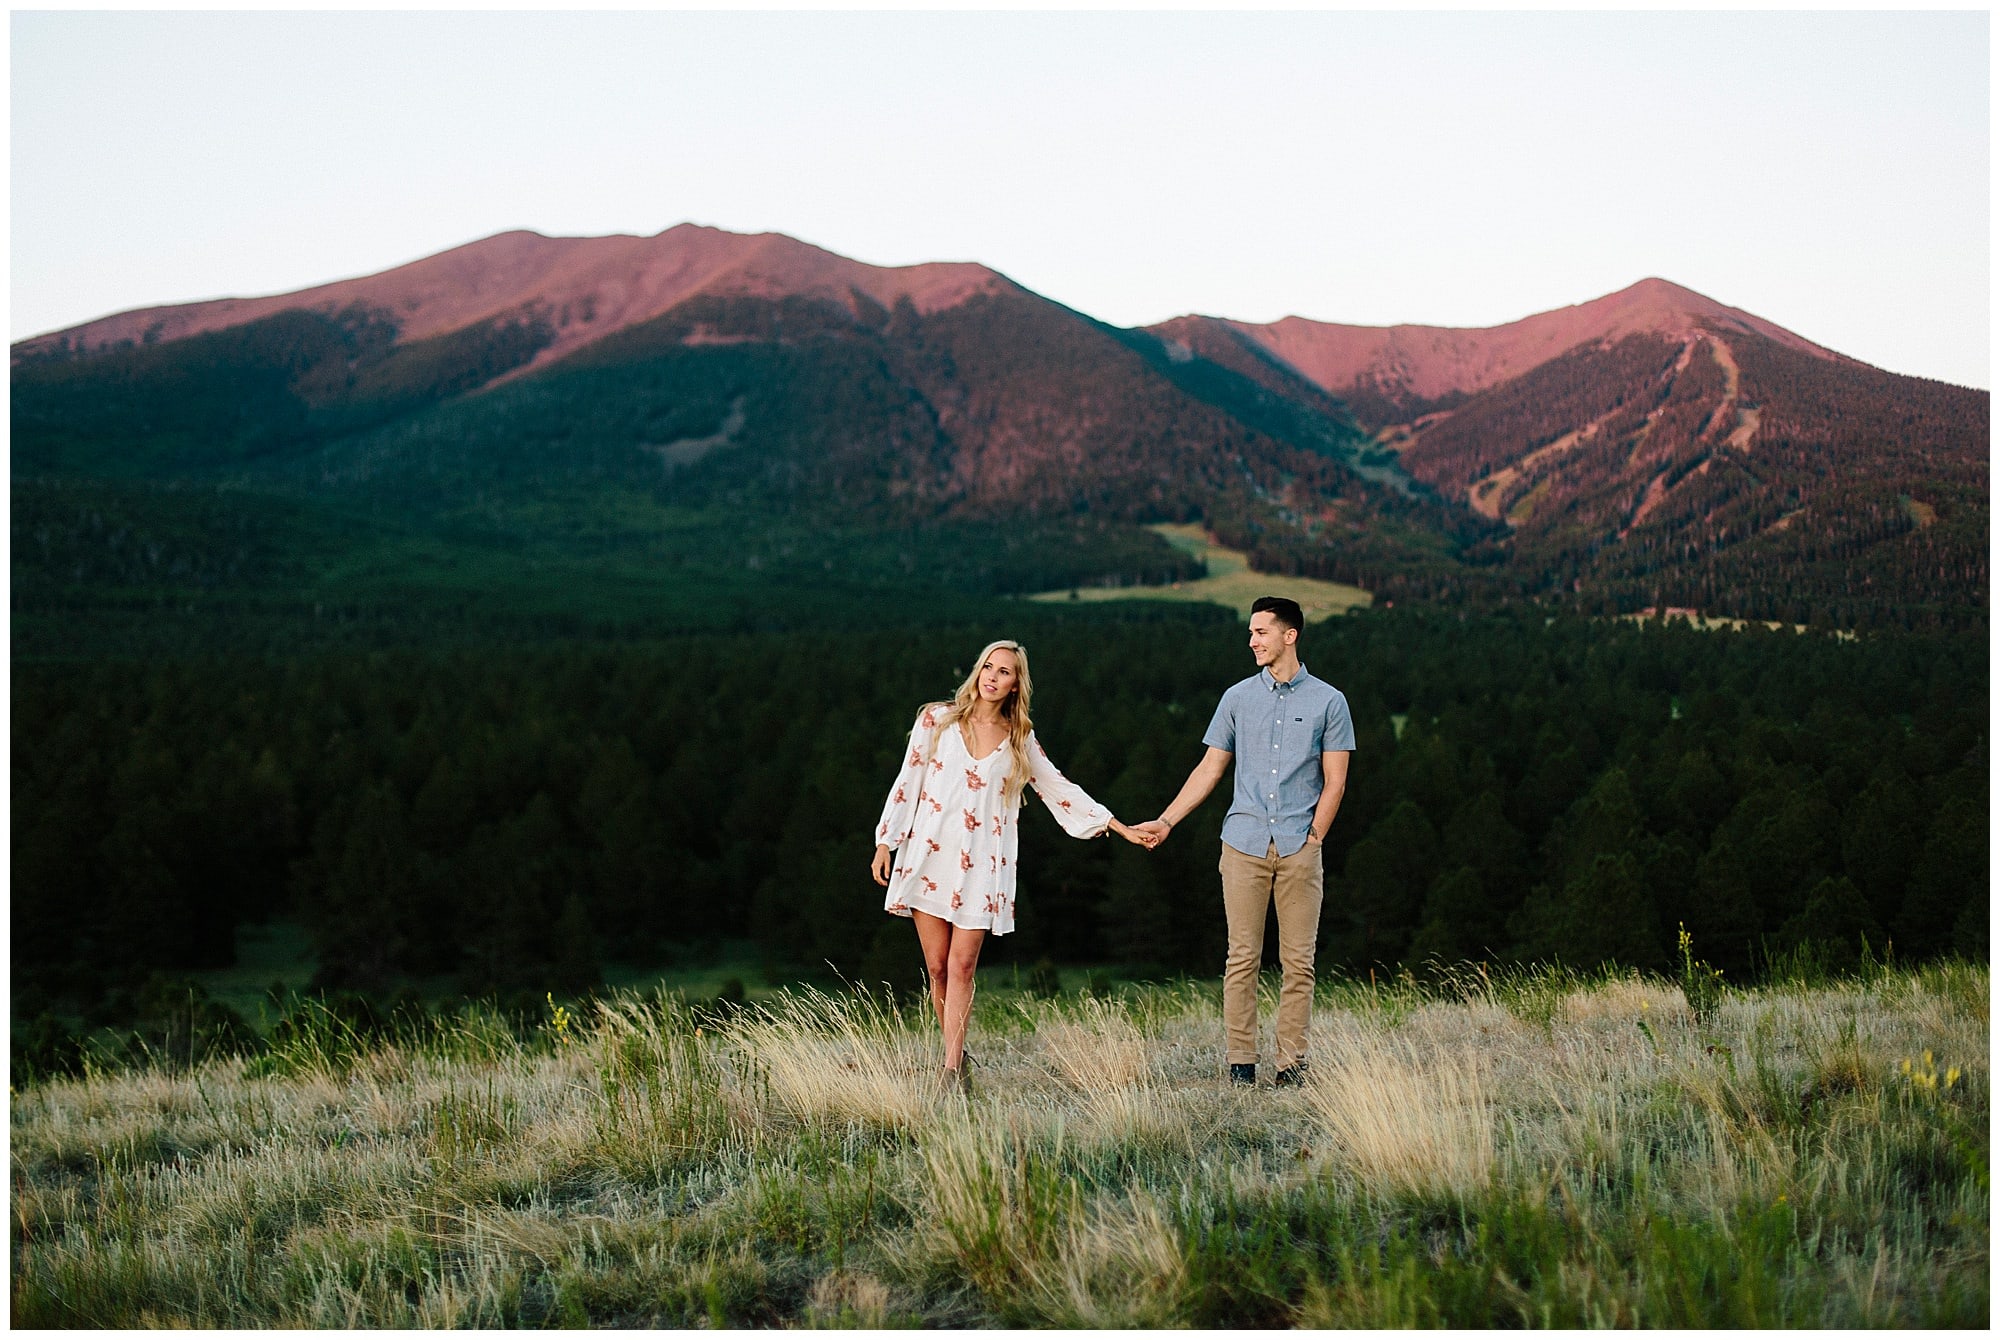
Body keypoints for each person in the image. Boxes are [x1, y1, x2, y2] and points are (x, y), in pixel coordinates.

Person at [871, 639, 1150, 1092]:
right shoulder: (937, 720)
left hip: (982, 867)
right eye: (988, 667)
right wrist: (887, 841)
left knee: (962, 967)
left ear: (1016, 684)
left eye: (1004, 671)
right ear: (978, 671)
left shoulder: (1019, 738)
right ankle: (958, 1056)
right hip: (929, 857)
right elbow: (909, 780)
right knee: (938, 968)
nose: (992, 677)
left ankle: (950, 1072)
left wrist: (1118, 826)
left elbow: (1058, 787)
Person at [1134, 597, 1354, 1088]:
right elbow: (1210, 768)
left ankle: (1291, 1066)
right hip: (1243, 845)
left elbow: (1336, 781)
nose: (1251, 641)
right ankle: (1241, 1064)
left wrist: (1315, 838)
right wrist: (1167, 821)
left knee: (1299, 964)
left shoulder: (1329, 701)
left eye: (1260, 632)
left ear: (1289, 636)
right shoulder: (1236, 698)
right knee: (1242, 958)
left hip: (1299, 847)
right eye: (1251, 632)